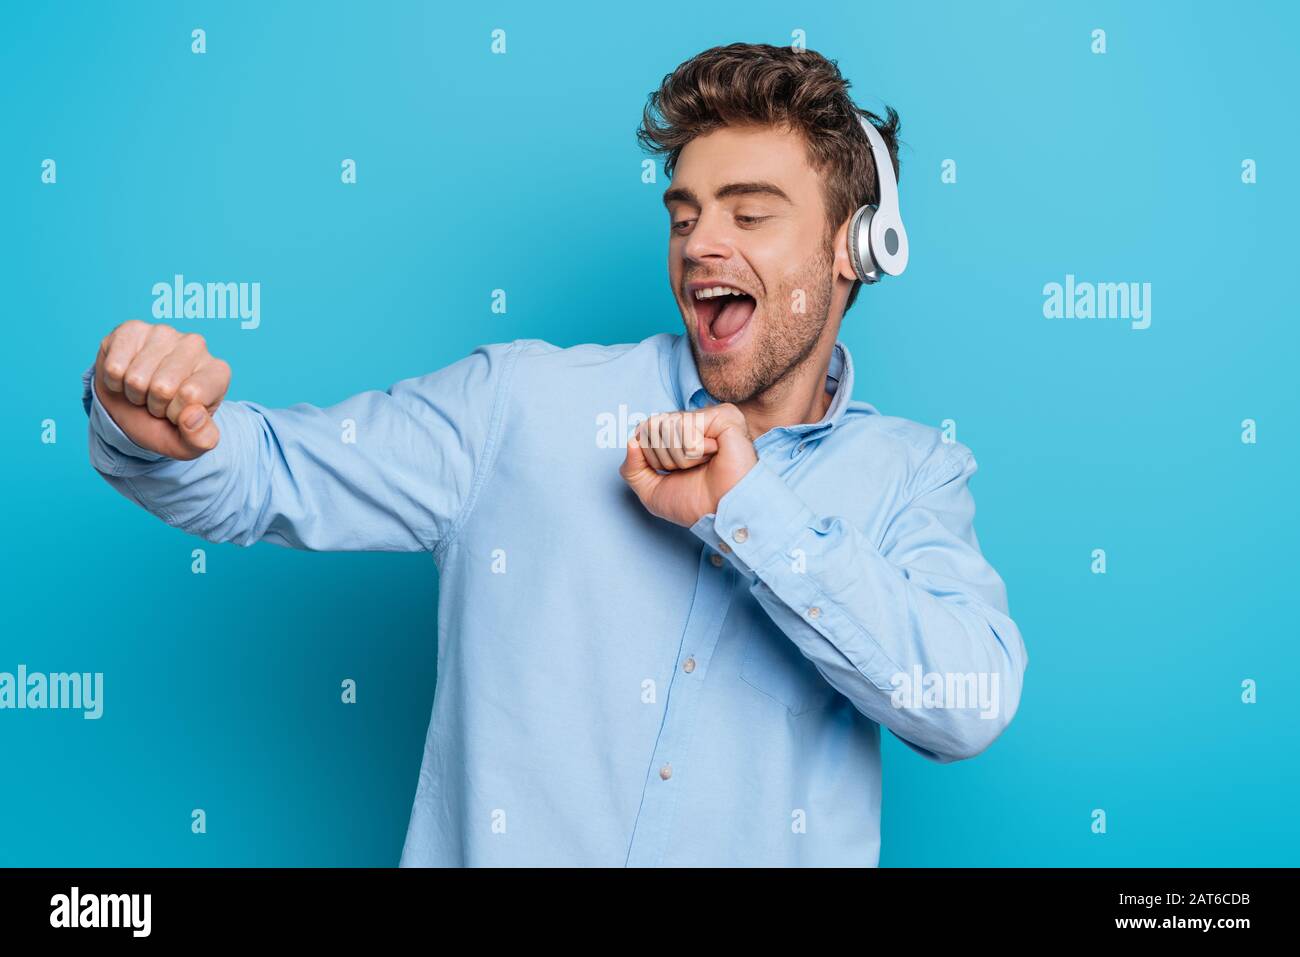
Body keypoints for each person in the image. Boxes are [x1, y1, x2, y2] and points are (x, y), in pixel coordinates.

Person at [82, 42, 1027, 866]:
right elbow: (270, 472)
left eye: (750, 214)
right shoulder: (521, 403)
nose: (702, 244)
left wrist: (750, 513)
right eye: (685, 212)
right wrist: (159, 433)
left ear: (856, 248)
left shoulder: (914, 476)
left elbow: (965, 702)